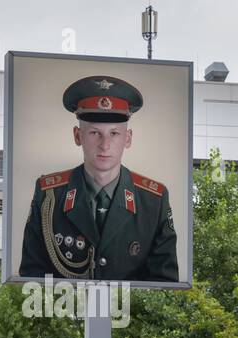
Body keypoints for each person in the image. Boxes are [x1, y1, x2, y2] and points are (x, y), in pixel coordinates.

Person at [18, 75, 178, 282]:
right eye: (94, 133)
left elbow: (165, 286)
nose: (105, 145)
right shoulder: (49, 195)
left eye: (114, 134)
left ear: (127, 139)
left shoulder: (154, 200)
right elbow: (32, 277)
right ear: (78, 136)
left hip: (129, 314)